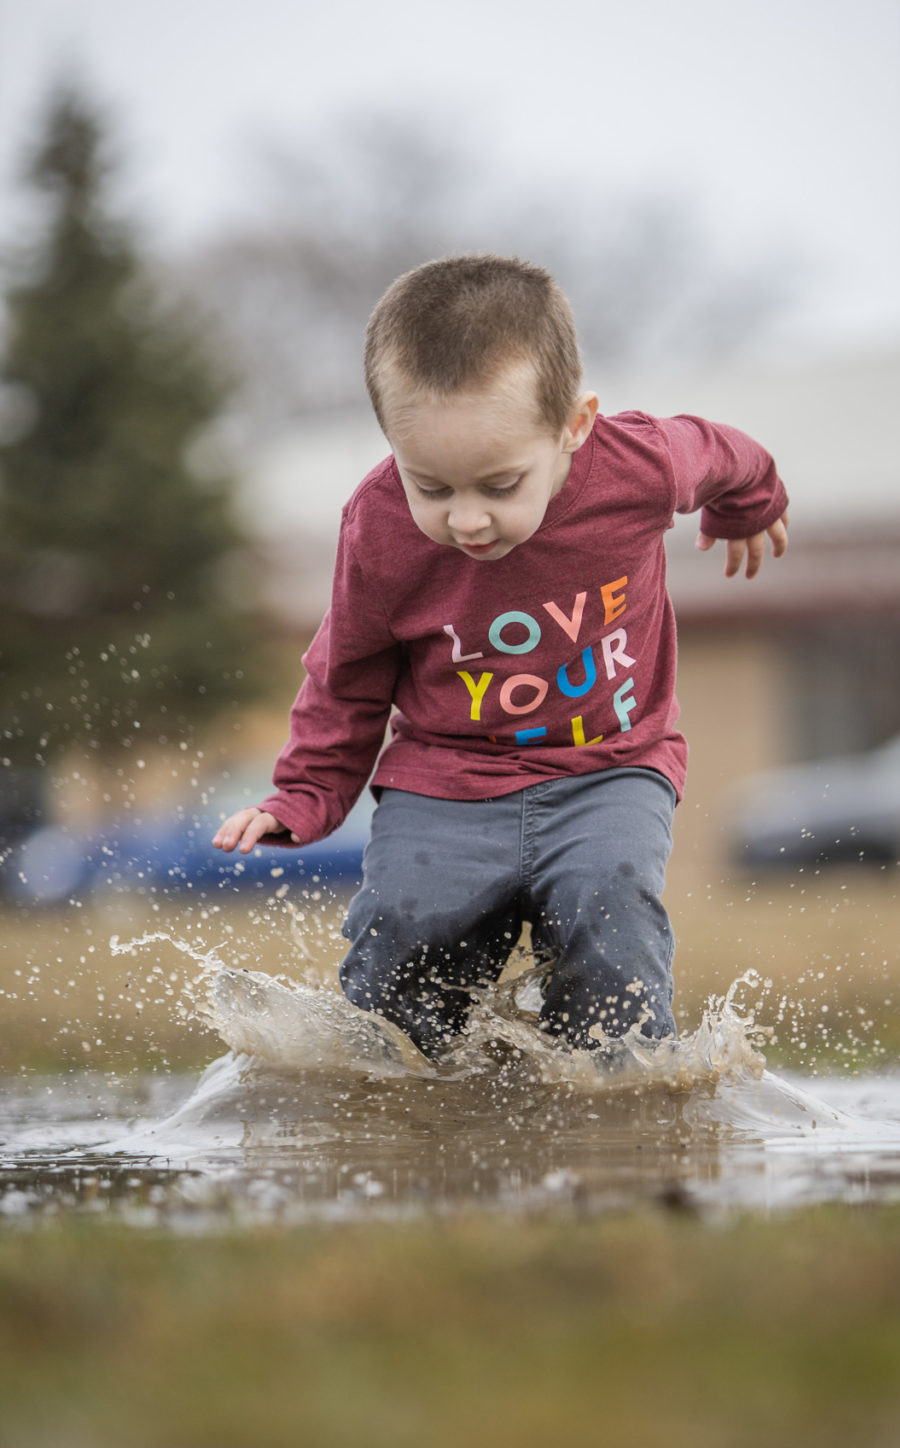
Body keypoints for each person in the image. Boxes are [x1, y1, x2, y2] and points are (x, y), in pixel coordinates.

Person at [213, 254, 789, 1059]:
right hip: (446, 778)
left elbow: (726, 452)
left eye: (499, 483)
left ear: (574, 427)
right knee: (406, 929)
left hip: (611, 768)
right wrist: (304, 793)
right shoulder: (376, 529)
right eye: (434, 488)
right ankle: (406, 1088)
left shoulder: (639, 464)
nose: (468, 520)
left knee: (609, 902)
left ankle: (616, 1086)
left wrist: (750, 505)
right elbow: (346, 673)